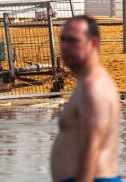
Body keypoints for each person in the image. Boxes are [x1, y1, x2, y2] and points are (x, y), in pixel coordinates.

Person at [51, 15, 121, 182]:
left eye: (73, 41)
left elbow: (92, 149)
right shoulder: (86, 82)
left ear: (94, 43)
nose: (65, 47)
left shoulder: (94, 87)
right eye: (63, 40)